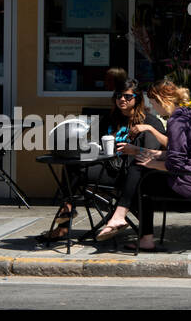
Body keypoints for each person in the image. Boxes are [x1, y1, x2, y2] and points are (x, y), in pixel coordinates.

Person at [42, 69, 164, 241]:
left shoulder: (150, 122)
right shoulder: (109, 119)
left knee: (139, 185)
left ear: (137, 99)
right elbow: (95, 144)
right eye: (118, 96)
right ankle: (66, 215)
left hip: (130, 174)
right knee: (71, 166)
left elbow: (155, 152)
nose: (122, 99)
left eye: (128, 96)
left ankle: (126, 223)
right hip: (108, 169)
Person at [93, 79, 191, 251]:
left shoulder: (176, 122)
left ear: (161, 100)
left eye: (153, 102)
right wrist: (140, 151)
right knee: (141, 167)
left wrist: (149, 162)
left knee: (139, 177)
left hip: (189, 183)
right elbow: (177, 154)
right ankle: (134, 229)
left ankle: (124, 219)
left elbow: (176, 165)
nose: (153, 107)